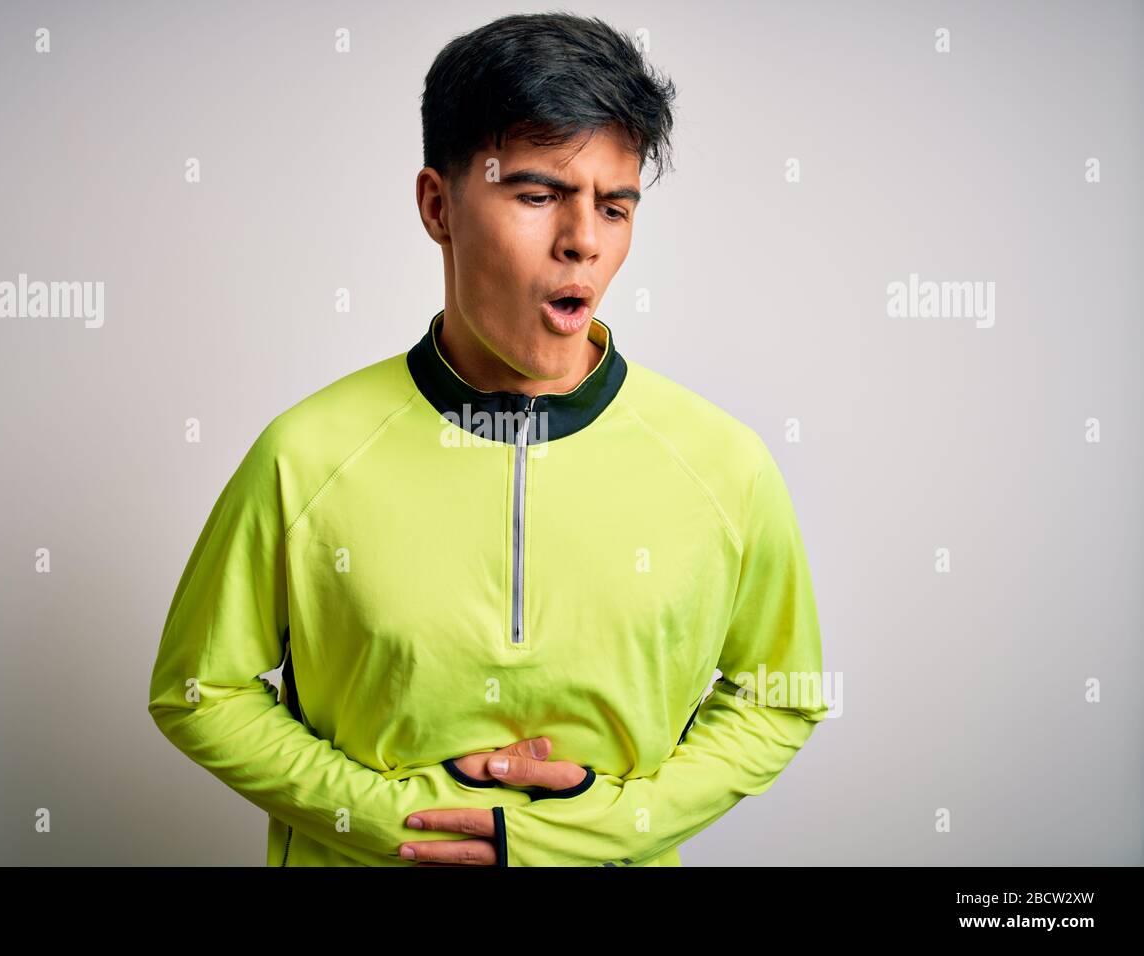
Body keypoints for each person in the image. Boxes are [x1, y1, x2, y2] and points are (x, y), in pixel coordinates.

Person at [147, 11, 828, 867]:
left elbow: (784, 695)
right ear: (439, 205)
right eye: (538, 195)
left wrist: (608, 823)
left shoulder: (725, 464)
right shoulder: (305, 454)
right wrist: (395, 820)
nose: (582, 240)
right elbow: (196, 689)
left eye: (614, 207)